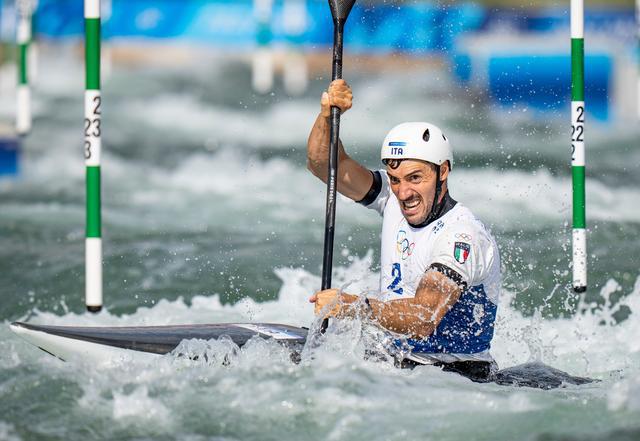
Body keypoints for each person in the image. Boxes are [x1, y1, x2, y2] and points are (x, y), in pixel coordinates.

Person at [306, 79, 502, 382]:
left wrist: (352, 306)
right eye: (395, 179)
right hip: (397, 363)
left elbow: (424, 317)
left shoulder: (461, 236)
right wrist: (328, 115)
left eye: (415, 178)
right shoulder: (393, 199)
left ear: (443, 171)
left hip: (455, 378)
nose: (403, 192)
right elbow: (324, 164)